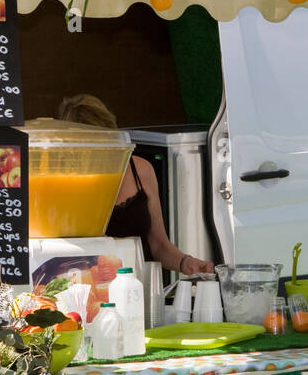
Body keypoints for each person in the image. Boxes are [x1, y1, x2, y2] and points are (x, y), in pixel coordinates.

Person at [57, 94, 214, 275]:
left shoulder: (140, 170)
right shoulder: (62, 180)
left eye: (106, 143)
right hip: (87, 290)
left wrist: (185, 262)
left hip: (135, 287)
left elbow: (159, 244)